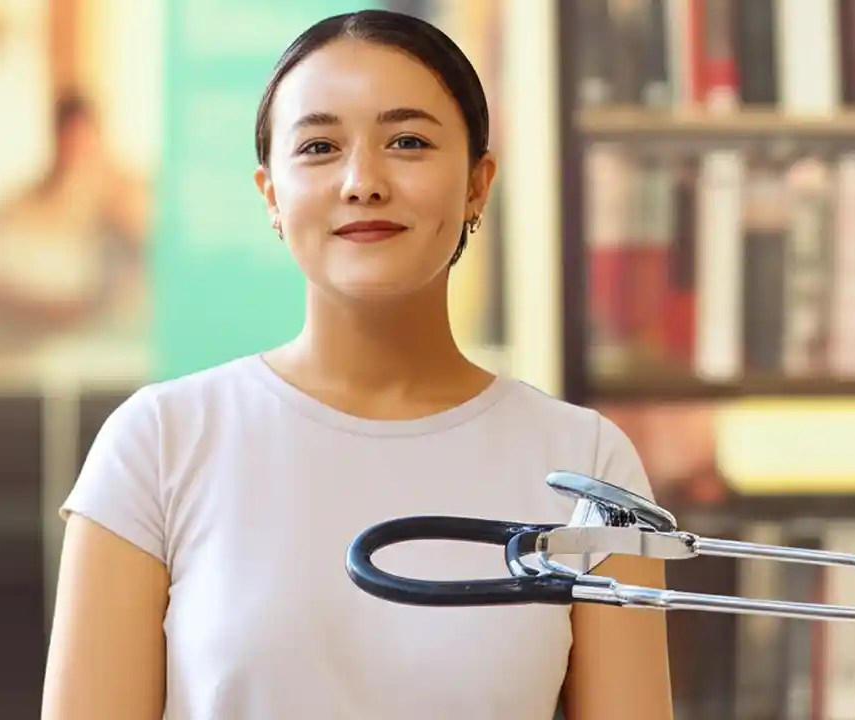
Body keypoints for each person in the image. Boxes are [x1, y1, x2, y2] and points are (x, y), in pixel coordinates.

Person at [42, 10, 673, 720]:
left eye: (407, 141)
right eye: (318, 146)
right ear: (271, 194)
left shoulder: (585, 464)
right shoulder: (158, 444)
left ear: (476, 184)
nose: (362, 180)